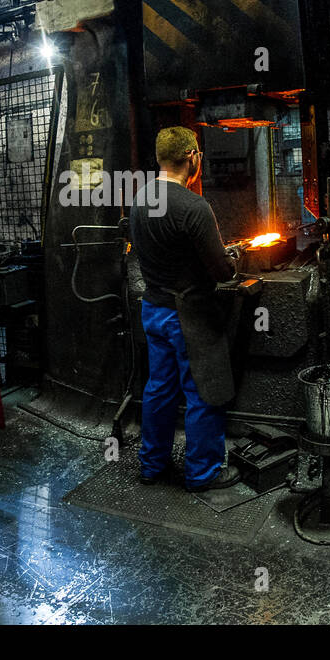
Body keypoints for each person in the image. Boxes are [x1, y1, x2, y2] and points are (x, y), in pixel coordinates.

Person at [129, 127, 241, 492]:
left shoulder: (140, 199)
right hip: (188, 315)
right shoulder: (194, 207)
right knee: (202, 392)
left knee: (159, 388)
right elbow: (222, 273)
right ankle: (202, 473)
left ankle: (152, 465)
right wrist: (233, 257)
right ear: (192, 157)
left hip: (153, 309)